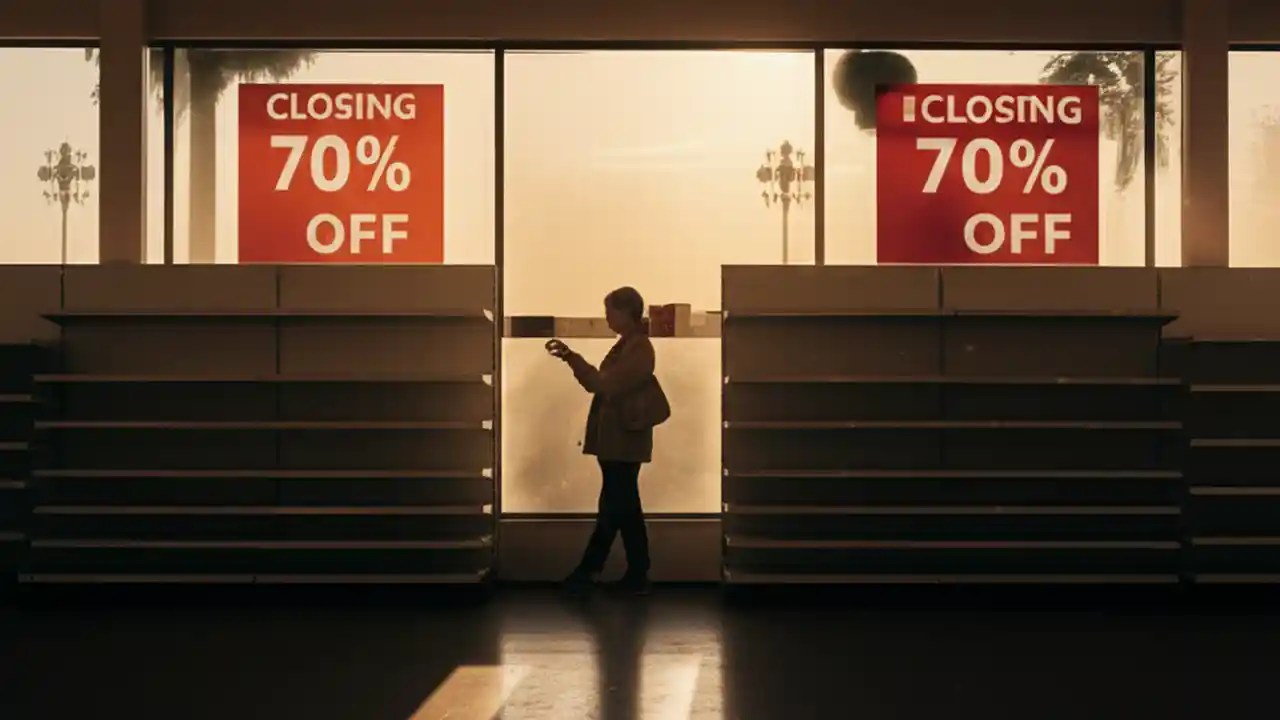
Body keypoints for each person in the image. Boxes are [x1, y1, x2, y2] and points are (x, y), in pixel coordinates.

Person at [546, 286, 656, 596]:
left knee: (615, 507)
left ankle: (593, 571)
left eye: (610, 311)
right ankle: (632, 573)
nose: (606, 317)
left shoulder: (636, 349)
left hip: (622, 443)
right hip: (620, 443)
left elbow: (601, 384)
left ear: (626, 312)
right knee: (623, 508)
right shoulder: (631, 347)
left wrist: (571, 358)